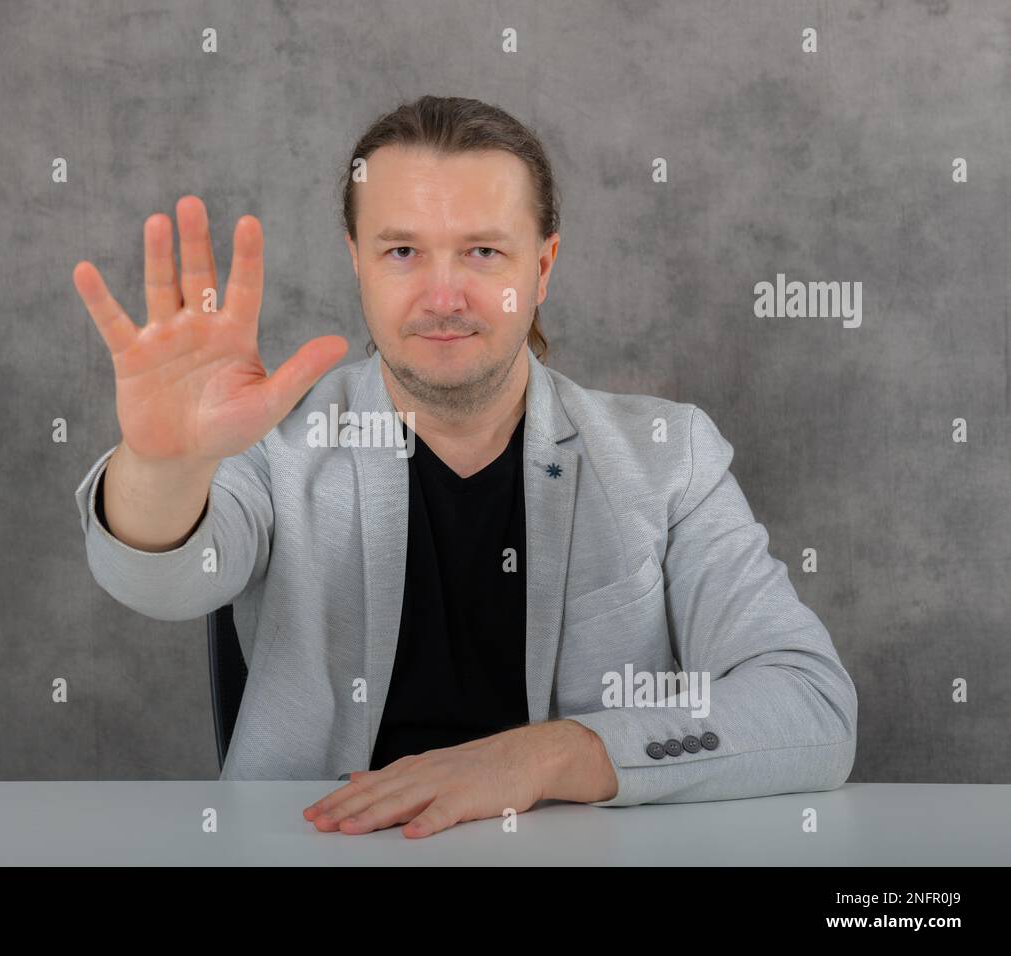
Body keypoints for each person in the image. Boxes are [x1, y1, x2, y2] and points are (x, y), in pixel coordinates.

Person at [71, 95, 857, 839]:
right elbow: (159, 582)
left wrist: (548, 754)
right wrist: (163, 464)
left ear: (542, 268)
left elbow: (811, 707)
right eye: (402, 251)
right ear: (357, 262)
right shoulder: (271, 439)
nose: (443, 296)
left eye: (483, 251)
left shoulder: (669, 456)